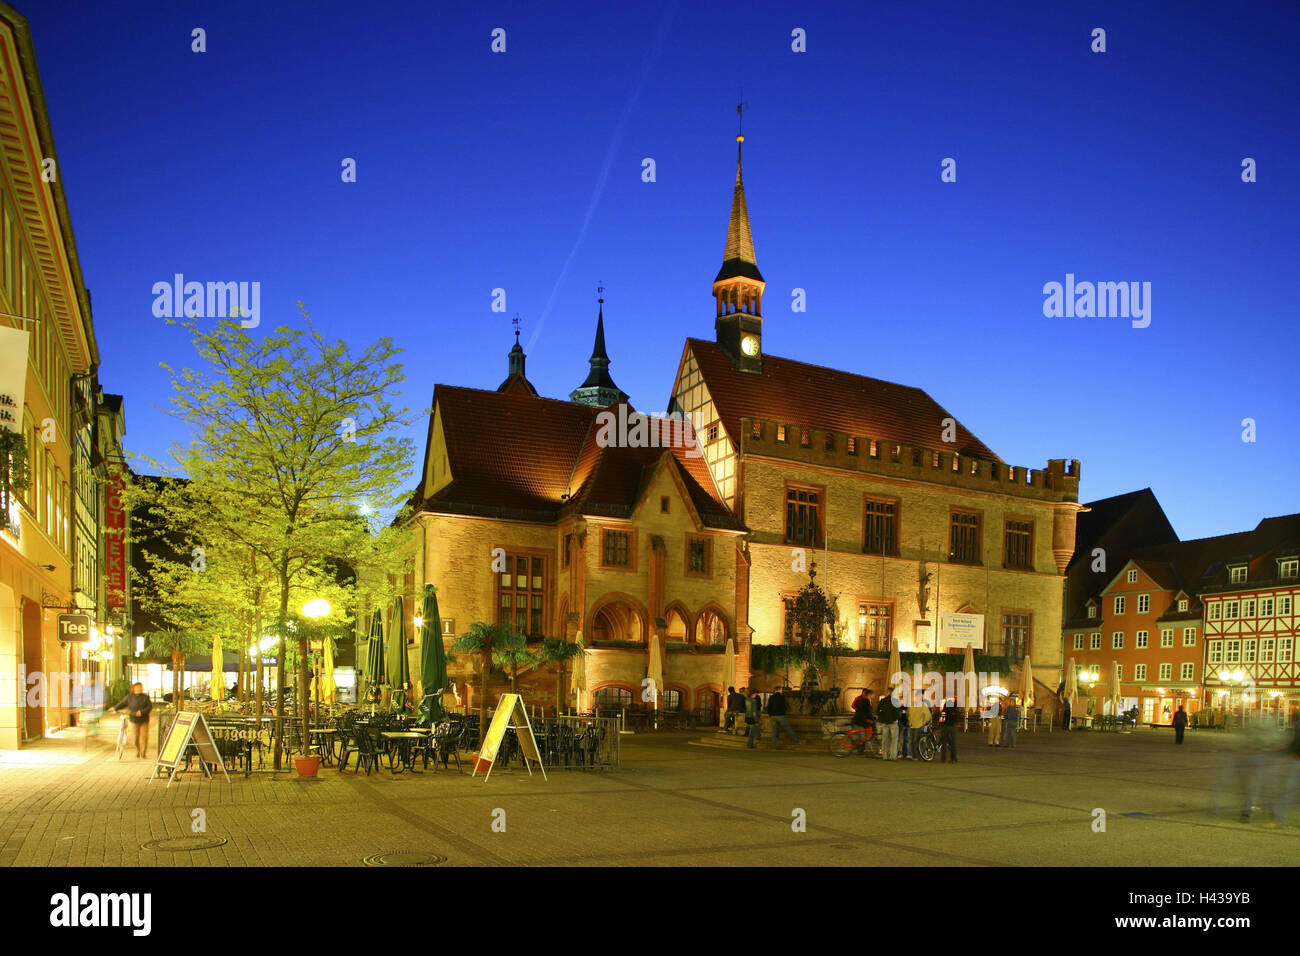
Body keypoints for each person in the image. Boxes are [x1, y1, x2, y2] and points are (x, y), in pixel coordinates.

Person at [112, 682, 153, 758]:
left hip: (144, 719)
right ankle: (138, 750)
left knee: (143, 737)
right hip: (134, 719)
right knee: (135, 738)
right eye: (137, 687)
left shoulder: (145, 697)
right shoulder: (130, 697)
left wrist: (142, 712)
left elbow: (149, 707)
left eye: (140, 687)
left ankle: (143, 752)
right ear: (133, 688)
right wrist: (115, 708)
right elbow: (122, 703)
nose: (139, 688)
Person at [876, 686, 900, 760]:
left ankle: (885, 756)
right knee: (894, 740)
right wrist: (896, 719)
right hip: (893, 722)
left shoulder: (883, 700)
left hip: (885, 722)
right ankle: (892, 756)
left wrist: (882, 718)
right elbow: (897, 712)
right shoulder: (895, 701)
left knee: (885, 740)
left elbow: (877, 711)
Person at [939, 697, 960, 763]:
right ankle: (953, 758)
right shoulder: (955, 705)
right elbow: (957, 714)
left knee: (944, 743)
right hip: (953, 726)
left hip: (946, 725)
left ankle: (944, 758)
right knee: (953, 743)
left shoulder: (946, 704)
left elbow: (942, 712)